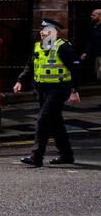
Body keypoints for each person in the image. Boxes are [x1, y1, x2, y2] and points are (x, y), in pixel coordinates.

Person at [14, 19, 81, 167]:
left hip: (59, 89)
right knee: (55, 123)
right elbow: (30, 65)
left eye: (46, 30)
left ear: (55, 32)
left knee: (43, 120)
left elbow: (76, 70)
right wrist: (20, 80)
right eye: (42, 30)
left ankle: (36, 156)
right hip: (42, 90)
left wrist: (74, 90)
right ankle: (66, 155)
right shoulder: (38, 46)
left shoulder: (64, 48)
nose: (42, 32)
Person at [81, 7, 101, 104]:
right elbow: (91, 41)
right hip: (98, 56)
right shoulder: (95, 26)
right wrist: (86, 52)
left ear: (99, 16)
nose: (91, 16)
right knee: (99, 77)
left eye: (94, 15)